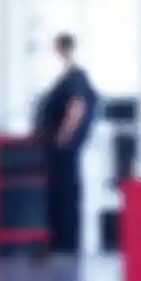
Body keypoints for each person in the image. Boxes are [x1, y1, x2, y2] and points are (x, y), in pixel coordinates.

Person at [34, 32, 97, 256]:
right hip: (61, 146)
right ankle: (60, 239)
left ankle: (65, 241)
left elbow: (76, 107)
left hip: (65, 147)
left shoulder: (75, 77)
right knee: (61, 191)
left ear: (61, 47)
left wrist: (64, 135)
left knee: (65, 192)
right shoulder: (69, 75)